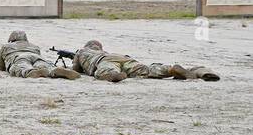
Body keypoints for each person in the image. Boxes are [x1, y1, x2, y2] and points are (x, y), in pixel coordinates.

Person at [71, 40, 219, 82]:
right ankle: (170, 69)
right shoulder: (105, 51)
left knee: (103, 71)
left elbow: (76, 70)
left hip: (103, 61)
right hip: (124, 58)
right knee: (147, 70)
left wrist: (75, 61)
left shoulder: (82, 51)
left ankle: (113, 75)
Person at [0, 30, 80, 79]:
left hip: (19, 57)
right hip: (36, 56)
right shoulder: (34, 46)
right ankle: (54, 71)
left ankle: (31, 72)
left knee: (22, 67)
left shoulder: (6, 46)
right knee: (43, 64)